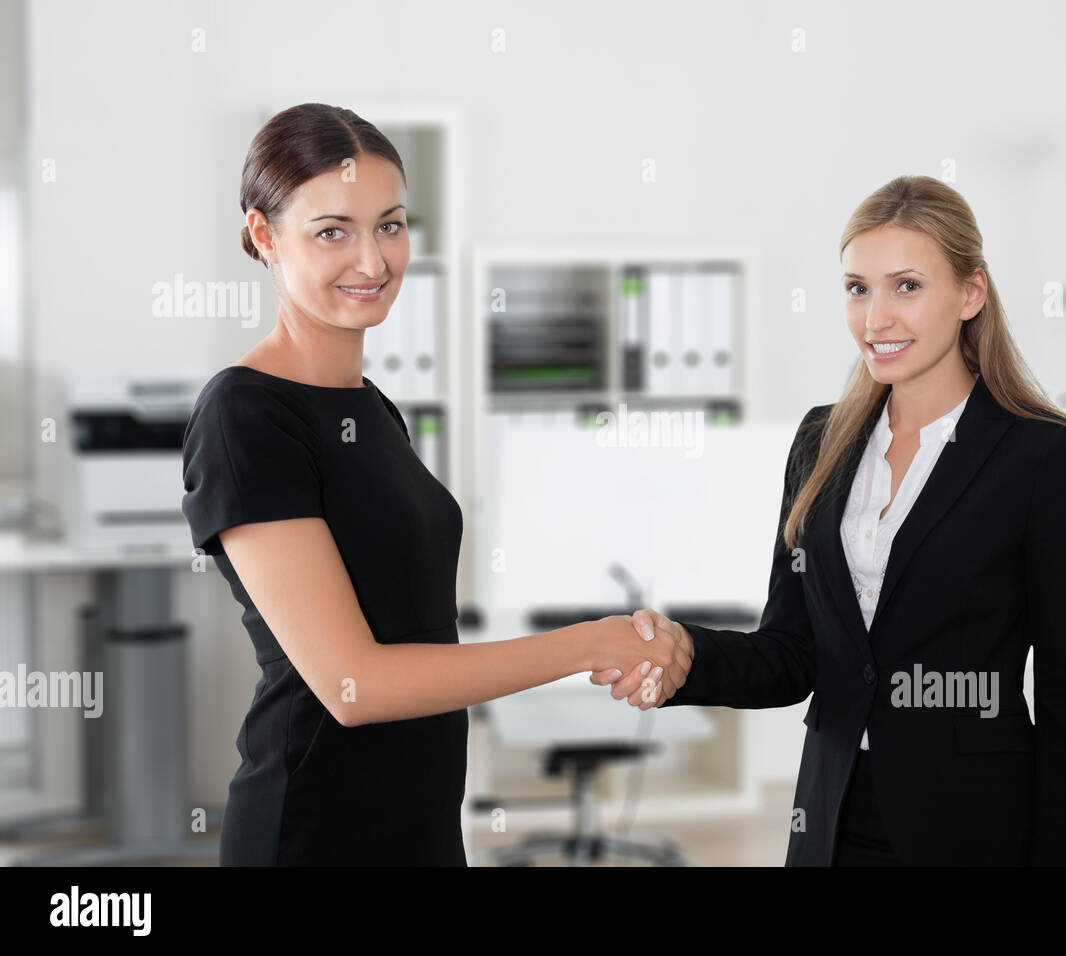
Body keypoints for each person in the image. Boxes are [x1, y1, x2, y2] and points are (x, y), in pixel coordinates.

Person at [181, 103, 691, 866]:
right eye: (332, 232)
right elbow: (355, 685)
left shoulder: (375, 409)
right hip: (315, 831)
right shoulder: (245, 413)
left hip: (419, 819)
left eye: (390, 224)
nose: (373, 260)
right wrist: (589, 643)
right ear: (264, 235)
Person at [598, 175, 1066, 866]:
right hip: (831, 814)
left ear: (971, 293)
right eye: (857, 288)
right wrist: (683, 651)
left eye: (907, 286)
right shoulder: (821, 441)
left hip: (975, 822)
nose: (875, 318)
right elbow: (791, 654)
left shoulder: (1044, 455)